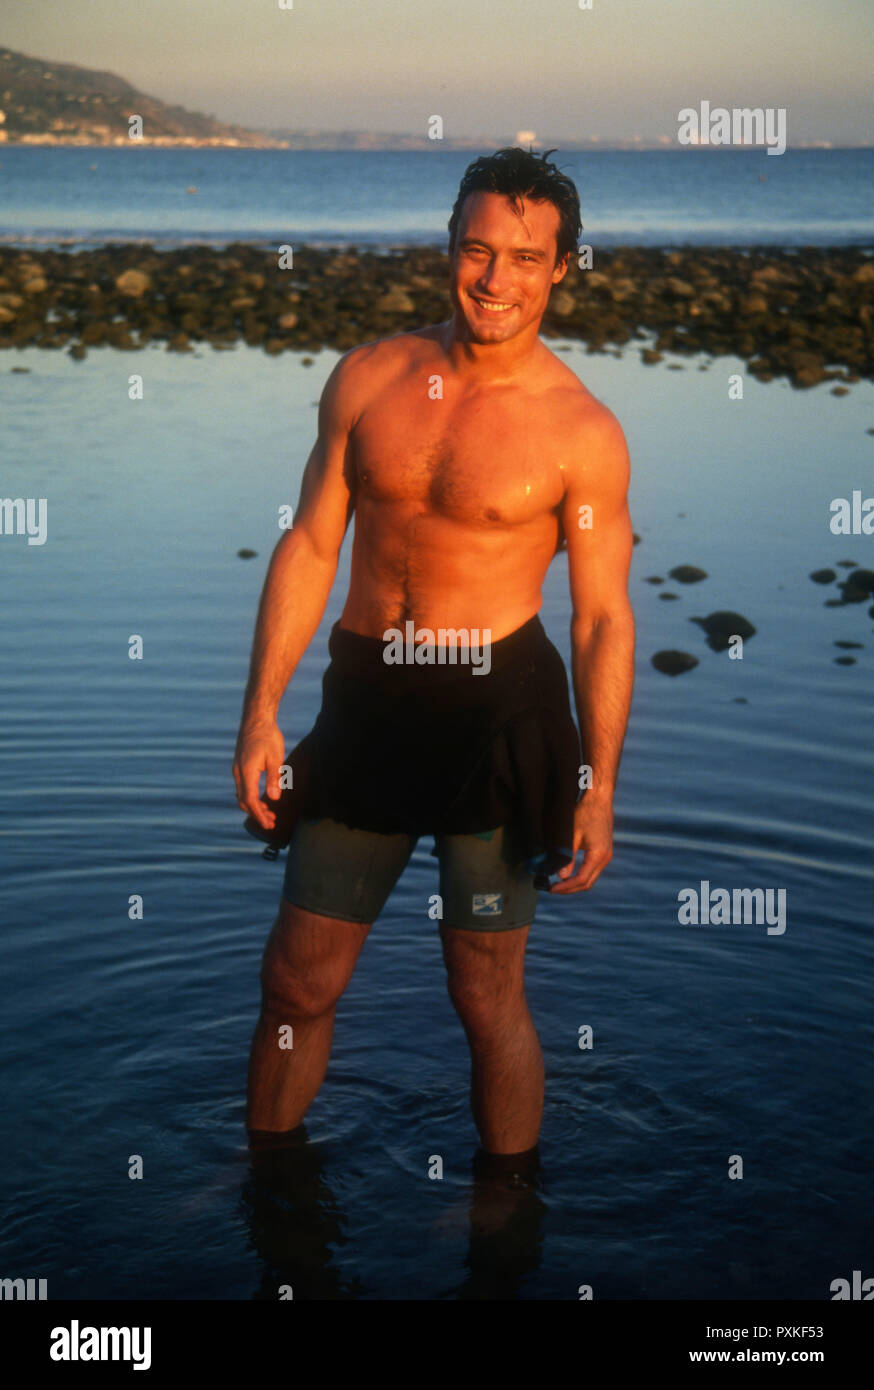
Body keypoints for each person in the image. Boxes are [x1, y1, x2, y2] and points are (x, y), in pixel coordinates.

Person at [233, 148, 634, 1164]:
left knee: (483, 992)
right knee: (298, 980)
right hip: (365, 708)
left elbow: (600, 620)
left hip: (497, 720)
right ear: (449, 248)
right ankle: (268, 1189)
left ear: (562, 268)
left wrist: (596, 783)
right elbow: (311, 544)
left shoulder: (581, 433)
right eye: (477, 249)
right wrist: (260, 713)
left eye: (526, 258)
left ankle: (503, 1212)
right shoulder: (368, 377)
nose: (495, 279)